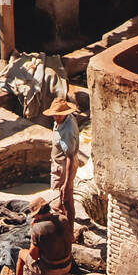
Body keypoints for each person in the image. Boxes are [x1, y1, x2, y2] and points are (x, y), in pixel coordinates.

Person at [13, 194, 73, 275]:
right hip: (67, 265)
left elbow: (34, 255)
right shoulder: (63, 218)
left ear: (37, 214)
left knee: (21, 253)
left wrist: (33, 228)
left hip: (51, 270)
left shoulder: (38, 228)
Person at [44, 94, 81, 230]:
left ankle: (69, 229)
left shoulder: (67, 130)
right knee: (62, 192)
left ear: (64, 114)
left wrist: (67, 181)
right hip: (60, 162)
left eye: (57, 115)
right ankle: (60, 203)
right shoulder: (66, 119)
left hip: (65, 165)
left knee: (67, 197)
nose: (55, 117)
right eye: (54, 115)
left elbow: (70, 157)